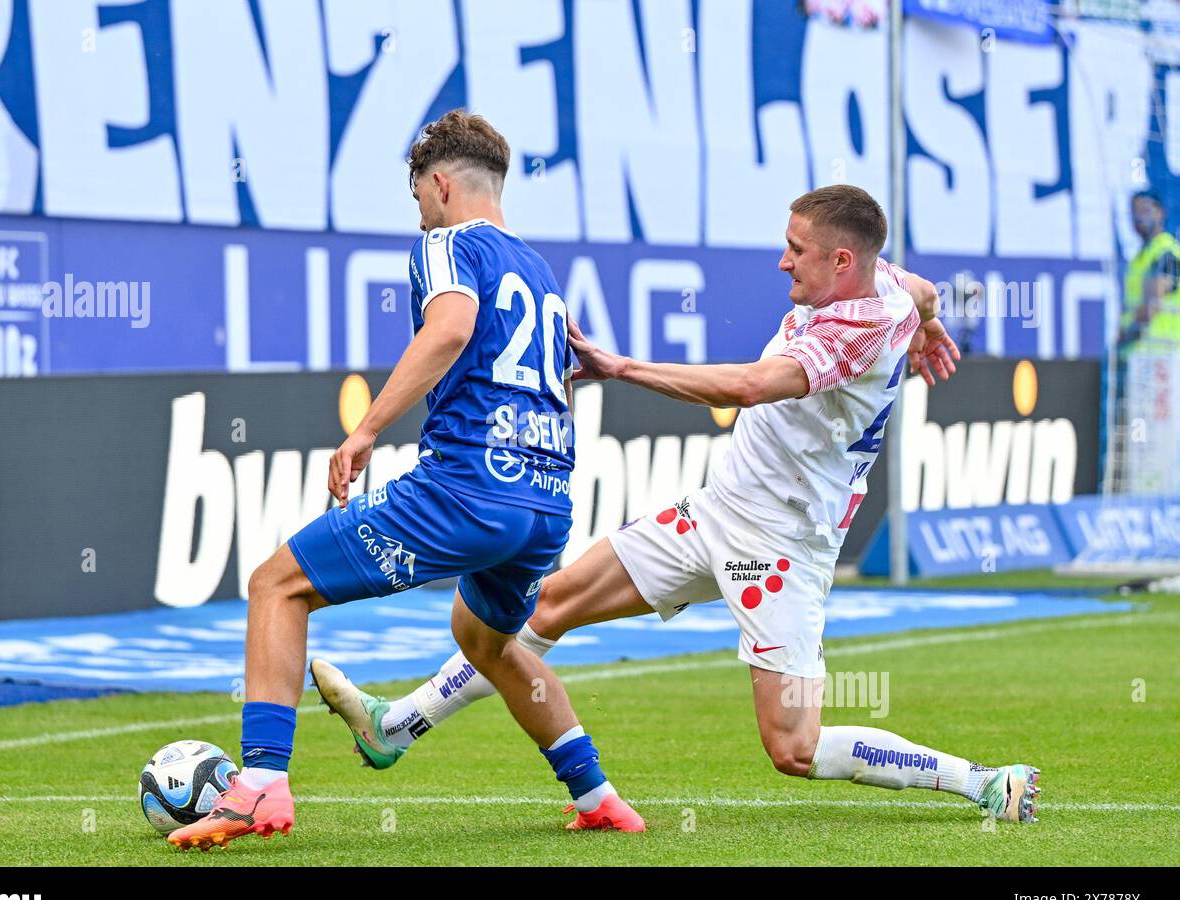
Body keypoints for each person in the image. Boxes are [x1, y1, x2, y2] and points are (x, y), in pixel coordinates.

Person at [317, 184, 1043, 825]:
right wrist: (933, 325)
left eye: (796, 250)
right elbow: (921, 291)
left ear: (840, 263)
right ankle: (397, 726)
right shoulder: (881, 282)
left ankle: (979, 781)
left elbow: (749, 387)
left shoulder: (854, 331)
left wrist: (623, 366)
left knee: (792, 747)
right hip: (717, 512)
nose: (783, 262)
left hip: (783, 544)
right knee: (542, 609)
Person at [168, 109, 645, 850]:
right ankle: (598, 793)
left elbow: (449, 327)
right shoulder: (541, 270)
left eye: (419, 193)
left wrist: (365, 430)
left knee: (277, 585)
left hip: (467, 487)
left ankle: (259, 783)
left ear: (442, 184)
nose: (419, 209)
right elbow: (564, 379)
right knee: (485, 640)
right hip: (546, 499)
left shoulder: (447, 244)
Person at [1118, 191, 1180, 351]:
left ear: (1160, 213)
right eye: (1134, 211)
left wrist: (1124, 337)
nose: (1138, 217)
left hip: (1166, 352)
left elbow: (1152, 305)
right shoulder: (1140, 258)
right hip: (1145, 352)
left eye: (1145, 210)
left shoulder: (1165, 252)